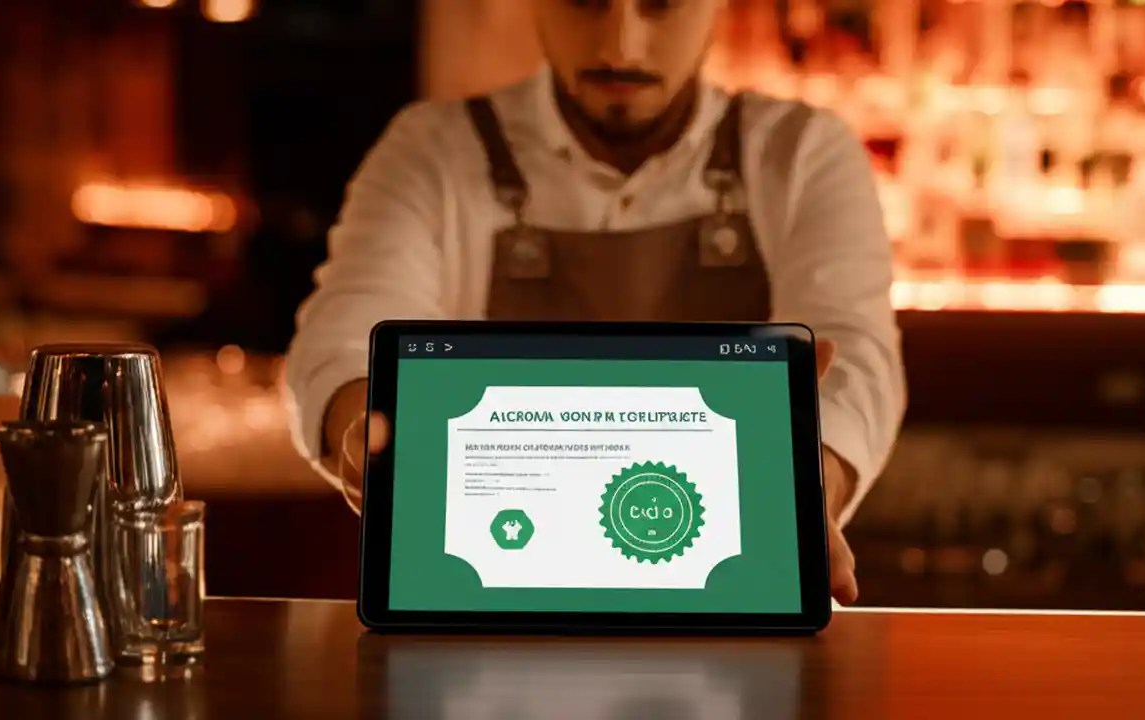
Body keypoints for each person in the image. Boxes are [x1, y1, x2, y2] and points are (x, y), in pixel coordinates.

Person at [284, 0, 906, 606]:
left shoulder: (803, 154)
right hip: (501, 591)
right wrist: (369, 429)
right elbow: (346, 331)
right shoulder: (432, 151)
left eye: (661, 6)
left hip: (725, 591)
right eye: (585, 2)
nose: (620, 45)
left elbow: (856, 353)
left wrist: (803, 494)